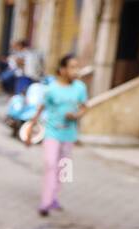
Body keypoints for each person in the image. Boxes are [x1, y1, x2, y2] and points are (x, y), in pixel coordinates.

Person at [27, 54, 87, 215]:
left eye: (77, 67)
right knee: (50, 165)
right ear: (62, 70)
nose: (76, 70)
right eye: (72, 67)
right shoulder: (51, 89)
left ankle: (54, 197)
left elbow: (84, 107)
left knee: (64, 171)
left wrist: (76, 116)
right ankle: (45, 203)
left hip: (69, 135)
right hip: (52, 133)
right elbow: (40, 109)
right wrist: (30, 132)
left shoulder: (80, 88)